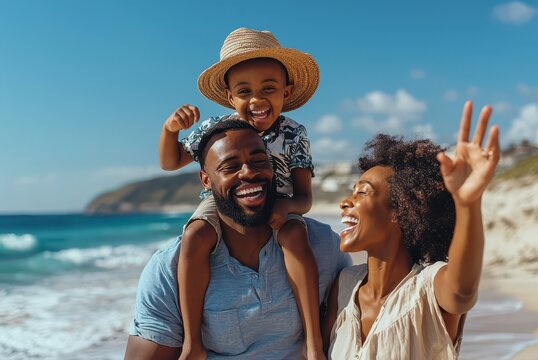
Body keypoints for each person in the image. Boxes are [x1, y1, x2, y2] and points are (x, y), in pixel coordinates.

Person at [158, 27, 323, 359]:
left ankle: (313, 341)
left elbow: (305, 196)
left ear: (286, 92)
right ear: (230, 97)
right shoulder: (217, 131)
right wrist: (169, 129)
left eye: (269, 88)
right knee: (195, 236)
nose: (257, 99)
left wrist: (288, 206)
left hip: (276, 204)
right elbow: (171, 161)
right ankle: (192, 342)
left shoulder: (294, 134)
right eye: (244, 91)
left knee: (295, 237)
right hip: (222, 206)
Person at [125, 120, 352, 359]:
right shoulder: (168, 269)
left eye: (259, 161)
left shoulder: (323, 248)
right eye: (229, 166)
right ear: (206, 180)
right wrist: (170, 129)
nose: (249, 172)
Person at [322, 101, 500, 359]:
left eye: (362, 191)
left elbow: (463, 291)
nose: (345, 201)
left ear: (399, 211)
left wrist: (467, 203)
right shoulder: (344, 285)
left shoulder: (430, 286)